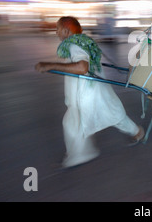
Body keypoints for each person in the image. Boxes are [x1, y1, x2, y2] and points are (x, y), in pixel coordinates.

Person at [35, 16, 144, 168]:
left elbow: (82, 67)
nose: (56, 33)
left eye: (58, 29)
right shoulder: (85, 41)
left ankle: (78, 156)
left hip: (87, 94)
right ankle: (136, 132)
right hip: (96, 89)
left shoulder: (74, 45)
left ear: (66, 31)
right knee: (112, 114)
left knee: (74, 122)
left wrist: (49, 65)